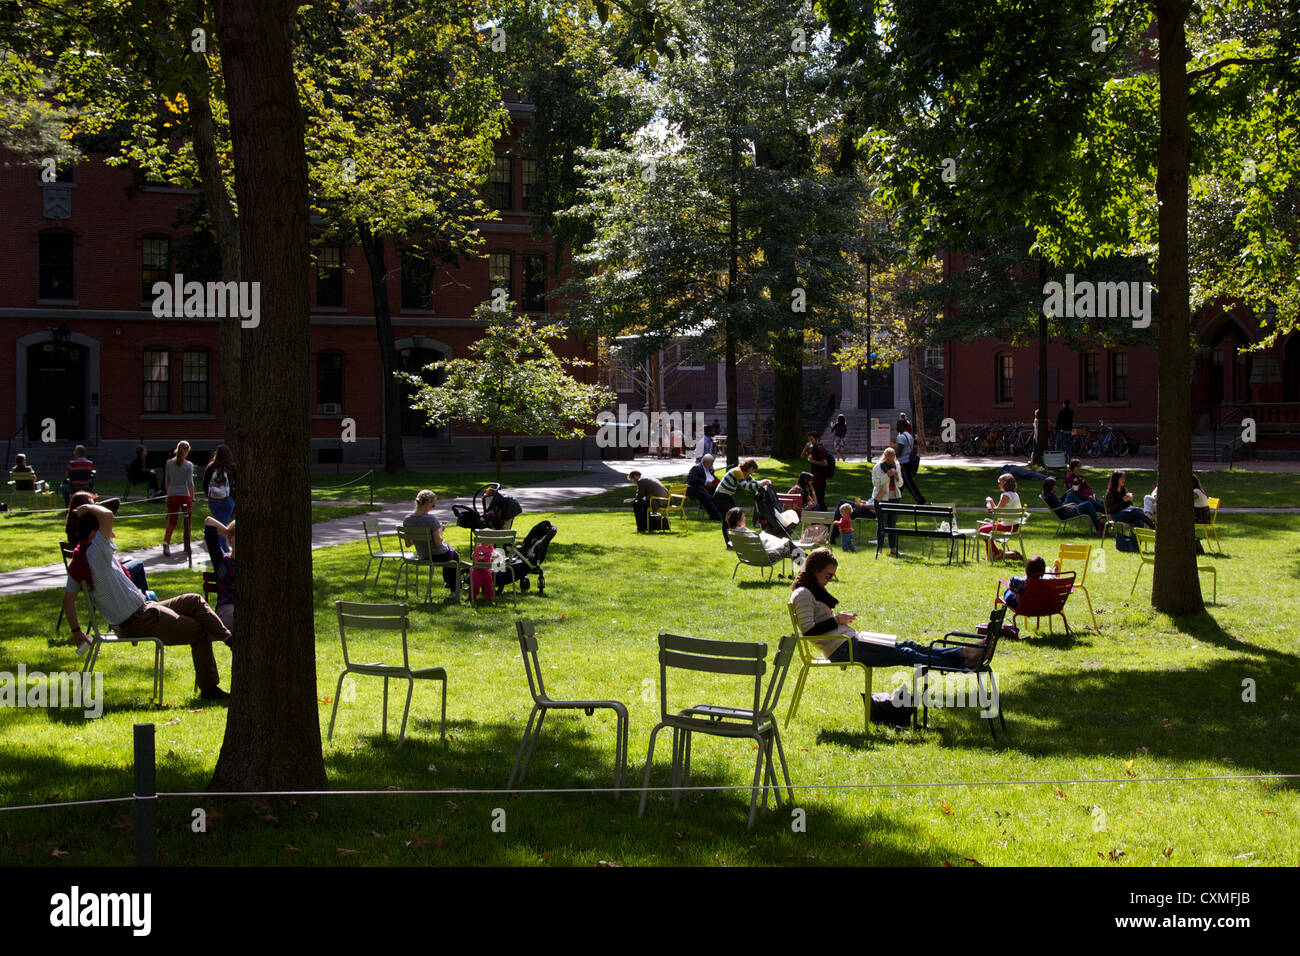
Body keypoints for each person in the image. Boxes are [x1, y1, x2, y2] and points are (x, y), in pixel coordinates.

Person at [63, 503, 231, 701]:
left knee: (193, 600)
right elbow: (108, 514)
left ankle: (229, 640)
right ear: (94, 534)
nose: (111, 535)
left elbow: (68, 601)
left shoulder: (80, 558)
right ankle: (210, 689)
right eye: (104, 532)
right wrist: (87, 506)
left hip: (144, 609)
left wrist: (76, 632)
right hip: (139, 620)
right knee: (199, 629)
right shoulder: (96, 551)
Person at [789, 549, 989, 668]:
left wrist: (840, 622)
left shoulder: (814, 589)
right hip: (841, 649)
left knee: (909, 645)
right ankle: (963, 662)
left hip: (850, 641)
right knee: (906, 654)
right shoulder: (803, 594)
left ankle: (964, 653)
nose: (830, 580)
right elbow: (808, 632)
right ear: (814, 570)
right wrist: (837, 620)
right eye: (828, 575)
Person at [63, 491, 149, 594]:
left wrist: (92, 504)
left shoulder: (72, 529)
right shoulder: (94, 530)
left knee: (127, 562)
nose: (95, 504)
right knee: (138, 563)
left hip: (87, 574)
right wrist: (93, 507)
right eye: (93, 503)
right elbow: (115, 502)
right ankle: (143, 598)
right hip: (104, 573)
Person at [401, 490, 459, 587]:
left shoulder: (407, 520)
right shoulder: (431, 519)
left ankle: (449, 583)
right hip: (437, 555)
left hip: (422, 555)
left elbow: (408, 543)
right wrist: (440, 530)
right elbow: (438, 543)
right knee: (454, 554)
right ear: (428, 502)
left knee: (449, 549)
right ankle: (453, 589)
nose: (432, 508)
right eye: (433, 505)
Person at [725, 507, 799, 561]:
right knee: (788, 544)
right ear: (738, 520)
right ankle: (805, 562)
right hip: (763, 557)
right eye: (743, 516)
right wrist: (765, 540)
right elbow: (757, 543)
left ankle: (804, 562)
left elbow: (754, 542)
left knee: (789, 549)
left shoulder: (732, 532)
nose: (745, 518)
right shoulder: (742, 531)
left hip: (751, 557)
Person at [162, 440, 195, 557]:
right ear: (187, 451)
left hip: (172, 494)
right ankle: (187, 546)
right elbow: (190, 483)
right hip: (184, 495)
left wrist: (167, 495)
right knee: (187, 522)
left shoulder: (168, 463)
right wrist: (192, 498)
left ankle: (166, 541)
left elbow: (167, 481)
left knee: (172, 522)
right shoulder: (189, 465)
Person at [980, 473, 1023, 559]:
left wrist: (990, 501)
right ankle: (996, 554)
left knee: (982, 530)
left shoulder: (1006, 495)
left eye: (1000, 483)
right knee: (985, 529)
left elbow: (997, 512)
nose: (999, 484)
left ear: (1005, 483)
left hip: (1009, 526)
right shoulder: (1015, 494)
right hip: (1014, 525)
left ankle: (995, 554)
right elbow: (999, 511)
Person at [203, 516, 236, 631]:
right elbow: (209, 522)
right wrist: (228, 532)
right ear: (231, 538)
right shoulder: (221, 560)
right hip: (227, 608)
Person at [202, 445, 236, 551]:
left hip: (213, 501)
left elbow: (204, 484)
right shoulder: (231, 467)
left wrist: (210, 495)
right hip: (227, 500)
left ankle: (221, 548)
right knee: (223, 525)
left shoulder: (210, 467)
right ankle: (223, 550)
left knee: (218, 523)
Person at [872, 447, 904, 556]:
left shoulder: (897, 465)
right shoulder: (878, 467)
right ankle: (879, 548)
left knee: (892, 524)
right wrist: (887, 476)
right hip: (882, 498)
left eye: (892, 459)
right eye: (888, 460)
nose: (891, 462)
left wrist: (896, 477)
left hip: (895, 497)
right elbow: (875, 483)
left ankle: (893, 549)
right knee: (882, 524)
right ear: (885, 457)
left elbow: (900, 484)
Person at [895, 426, 927, 504]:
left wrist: (894, 458)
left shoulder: (901, 437)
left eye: (898, 425)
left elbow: (900, 449)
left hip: (903, 462)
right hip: (908, 461)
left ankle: (921, 500)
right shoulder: (909, 436)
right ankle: (895, 501)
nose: (896, 427)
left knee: (909, 483)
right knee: (900, 483)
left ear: (901, 425)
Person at [685, 454, 722, 521]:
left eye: (712, 463)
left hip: (706, 489)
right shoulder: (696, 468)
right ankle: (715, 516)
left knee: (718, 495)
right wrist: (705, 482)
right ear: (704, 462)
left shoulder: (710, 469)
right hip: (694, 489)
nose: (711, 465)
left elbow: (712, 477)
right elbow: (693, 478)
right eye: (710, 463)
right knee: (706, 496)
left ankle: (721, 514)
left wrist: (717, 482)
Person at [802, 432, 831, 509]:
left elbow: (825, 463)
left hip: (820, 480)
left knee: (819, 501)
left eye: (811, 439)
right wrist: (806, 447)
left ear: (817, 439)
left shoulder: (819, 449)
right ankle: (820, 517)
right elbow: (802, 456)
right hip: (814, 479)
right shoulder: (812, 449)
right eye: (809, 440)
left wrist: (813, 461)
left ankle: (825, 517)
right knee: (815, 500)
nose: (810, 442)